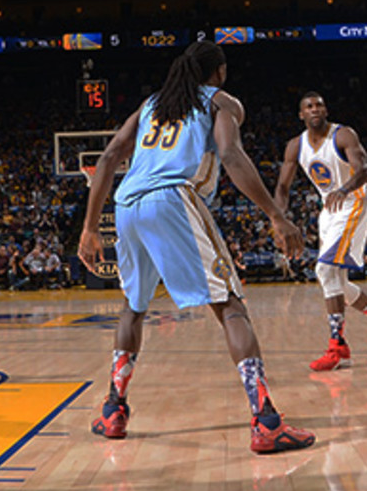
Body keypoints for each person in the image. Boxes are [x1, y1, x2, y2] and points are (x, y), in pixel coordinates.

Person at [77, 41, 314, 454]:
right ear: (219, 71)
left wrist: (90, 227)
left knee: (134, 306)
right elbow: (231, 154)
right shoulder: (222, 102)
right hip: (172, 198)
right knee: (230, 305)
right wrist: (276, 214)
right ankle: (266, 421)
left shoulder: (152, 104)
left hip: (127, 203)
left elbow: (112, 153)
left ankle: (114, 409)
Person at [275, 92, 367, 371]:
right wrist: (278, 218)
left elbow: (364, 169)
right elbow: (283, 188)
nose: (315, 109)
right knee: (338, 284)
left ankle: (338, 347)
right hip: (329, 209)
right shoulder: (295, 147)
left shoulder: (343, 135)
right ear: (301, 114)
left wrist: (344, 189)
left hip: (354, 201)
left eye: (320, 104)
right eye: (309, 106)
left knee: (324, 270)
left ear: (326, 109)